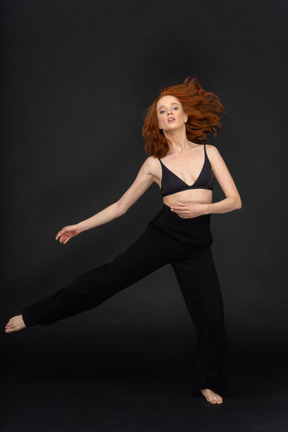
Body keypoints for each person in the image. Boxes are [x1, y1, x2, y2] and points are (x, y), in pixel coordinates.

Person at [5, 77, 242, 405]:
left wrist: (205, 207)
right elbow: (120, 206)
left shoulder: (209, 152)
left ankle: (209, 380)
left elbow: (234, 201)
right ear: (158, 122)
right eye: (163, 110)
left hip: (196, 245)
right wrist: (80, 226)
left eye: (175, 107)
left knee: (212, 318)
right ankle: (33, 315)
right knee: (106, 280)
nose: (169, 112)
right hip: (163, 235)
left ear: (186, 116)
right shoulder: (154, 164)